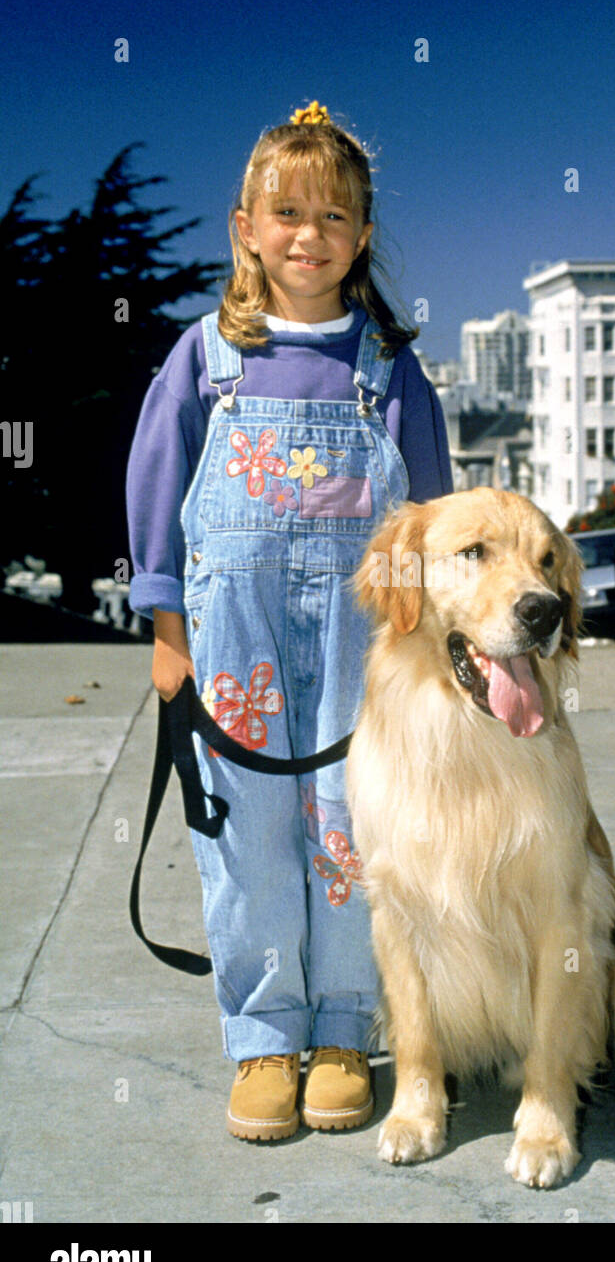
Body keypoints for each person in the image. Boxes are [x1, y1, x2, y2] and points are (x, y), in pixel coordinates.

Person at [125, 100, 453, 1141]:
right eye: (286, 213)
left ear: (360, 238)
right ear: (244, 228)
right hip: (235, 638)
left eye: (333, 216)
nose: (307, 235)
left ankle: (349, 1025)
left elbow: (433, 516)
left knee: (352, 832)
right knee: (247, 832)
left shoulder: (389, 369)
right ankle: (265, 1033)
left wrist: (434, 644)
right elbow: (156, 489)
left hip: (368, 646)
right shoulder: (206, 361)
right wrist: (166, 631)